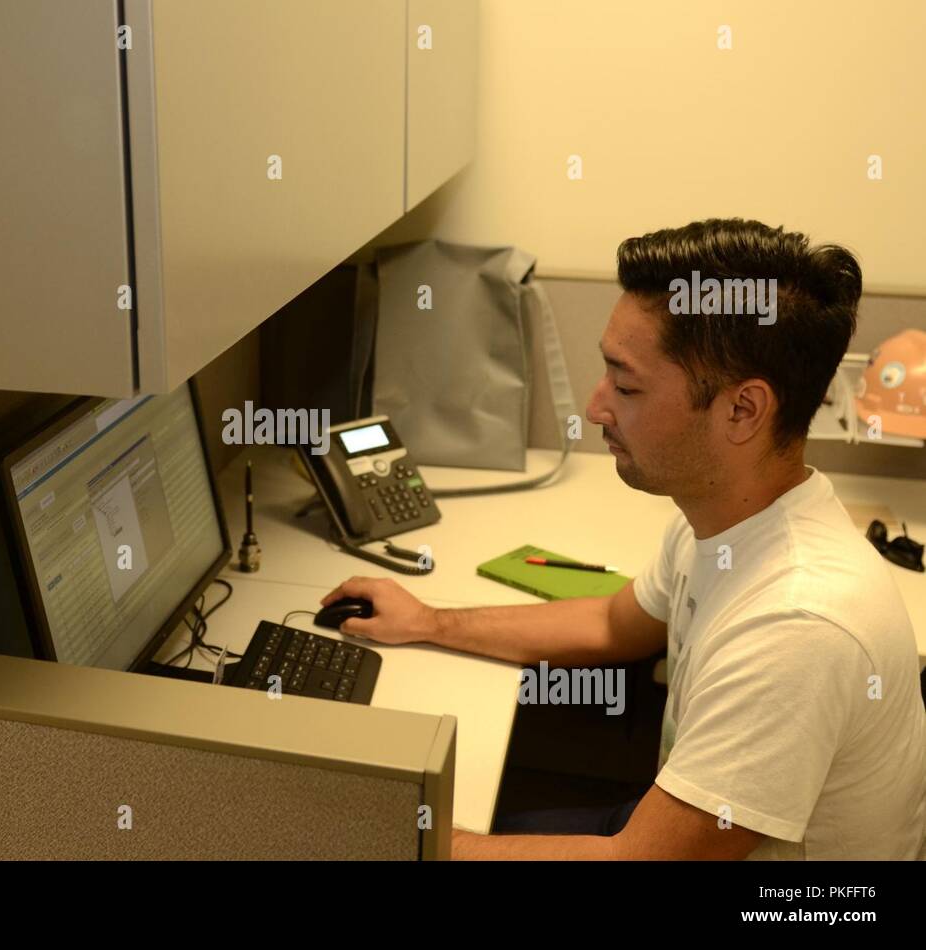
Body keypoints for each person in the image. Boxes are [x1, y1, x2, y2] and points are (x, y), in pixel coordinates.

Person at [322, 219, 925, 860]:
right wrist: (430, 621)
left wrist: (381, 837)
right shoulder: (725, 516)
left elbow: (636, 863)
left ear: (742, 411)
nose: (595, 405)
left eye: (627, 384)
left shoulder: (800, 623)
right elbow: (612, 624)